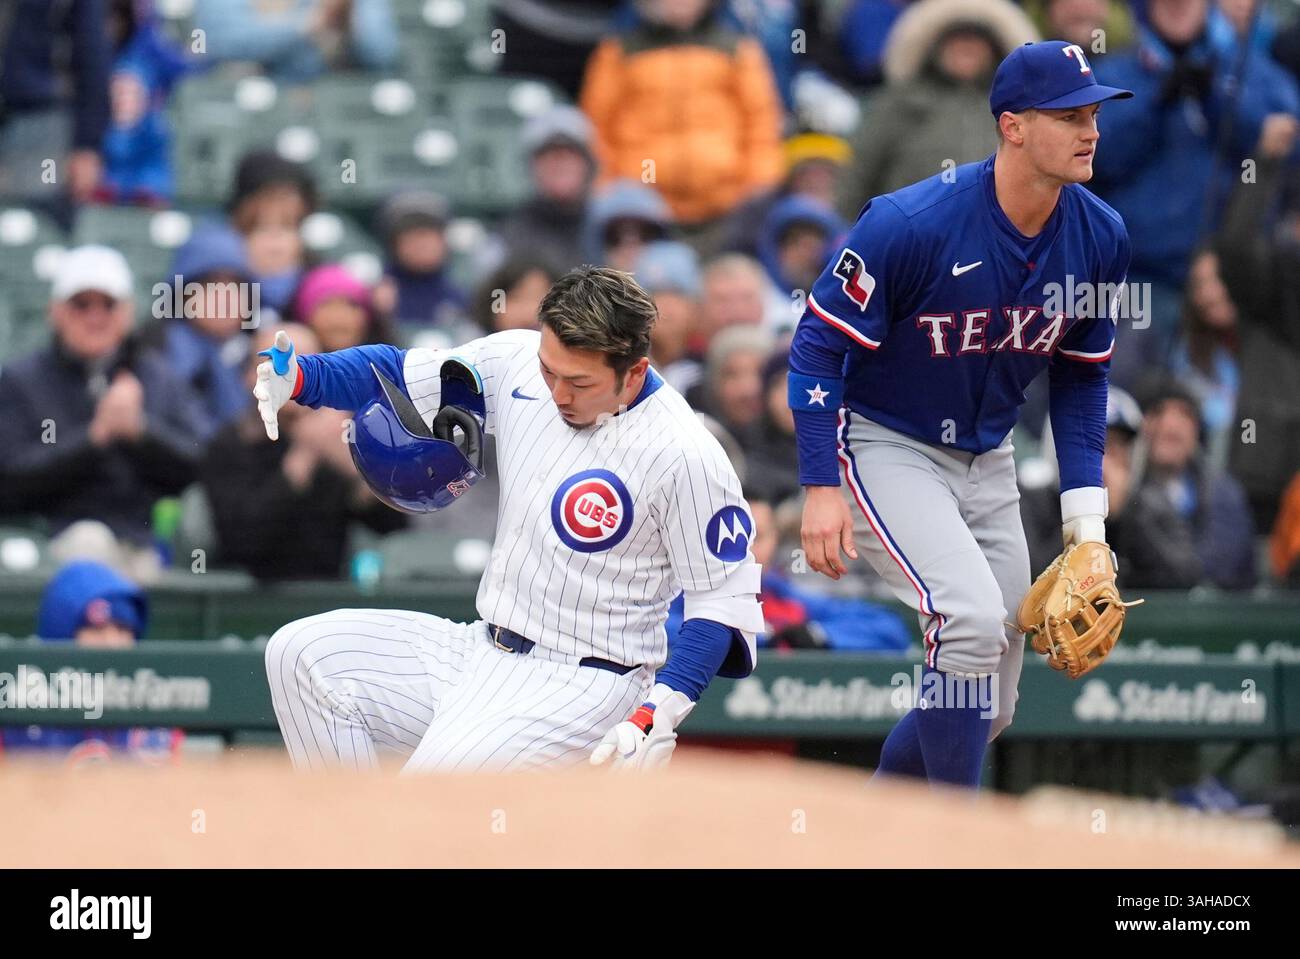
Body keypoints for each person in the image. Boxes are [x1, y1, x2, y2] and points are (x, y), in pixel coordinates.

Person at [255, 266, 763, 772]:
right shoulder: (518, 359)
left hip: (586, 683)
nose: (558, 393)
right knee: (301, 655)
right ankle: (349, 846)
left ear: (633, 371)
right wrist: (301, 378)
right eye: (550, 371)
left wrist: (659, 711)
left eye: (579, 381)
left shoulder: (687, 452)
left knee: (433, 785)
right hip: (480, 647)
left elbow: (722, 605)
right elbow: (393, 373)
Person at [790, 41, 1132, 787]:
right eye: (1070, 115)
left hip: (990, 456)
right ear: (1011, 126)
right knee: (972, 625)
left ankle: (875, 828)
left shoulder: (1101, 235)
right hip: (885, 442)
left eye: (1095, 114)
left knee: (991, 703)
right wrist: (820, 482)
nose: (1091, 130)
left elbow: (1080, 381)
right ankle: (956, 845)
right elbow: (815, 348)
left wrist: (1087, 525)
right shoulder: (911, 222)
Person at [0, 246, 208, 582]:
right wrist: (94, 439)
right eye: (81, 304)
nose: (94, 316)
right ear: (55, 312)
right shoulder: (20, 380)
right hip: (49, 540)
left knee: (151, 579)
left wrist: (141, 432)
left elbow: (202, 460)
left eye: (107, 304)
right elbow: (9, 477)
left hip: (143, 543)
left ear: (126, 313)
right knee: (90, 547)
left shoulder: (156, 376)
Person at [201, 324, 406, 581]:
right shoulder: (230, 444)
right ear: (249, 377)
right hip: (249, 597)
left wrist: (357, 470)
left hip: (328, 593)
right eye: (276, 367)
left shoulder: (339, 435)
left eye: (303, 366)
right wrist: (304, 455)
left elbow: (393, 527)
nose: (288, 378)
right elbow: (243, 541)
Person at [579, 0, 783, 253]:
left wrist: (756, 190)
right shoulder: (618, 52)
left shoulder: (738, 49)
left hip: (726, 212)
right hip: (643, 218)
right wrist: (611, 192)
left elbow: (762, 123)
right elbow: (596, 128)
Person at [836, 0, 1039, 218]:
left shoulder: (1015, 108)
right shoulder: (898, 104)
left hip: (1000, 237)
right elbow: (858, 176)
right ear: (935, 48)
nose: (966, 48)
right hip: (910, 238)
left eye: (976, 40)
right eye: (957, 39)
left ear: (994, 50)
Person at [0, 560, 183, 767]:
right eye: (97, 630)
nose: (112, 643)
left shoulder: (154, 705)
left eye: (123, 629)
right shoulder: (16, 702)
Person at [371, 189, 468, 331]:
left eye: (427, 234)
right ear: (393, 243)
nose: (421, 244)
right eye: (410, 234)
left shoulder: (462, 292)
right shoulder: (375, 291)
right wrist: (378, 316)